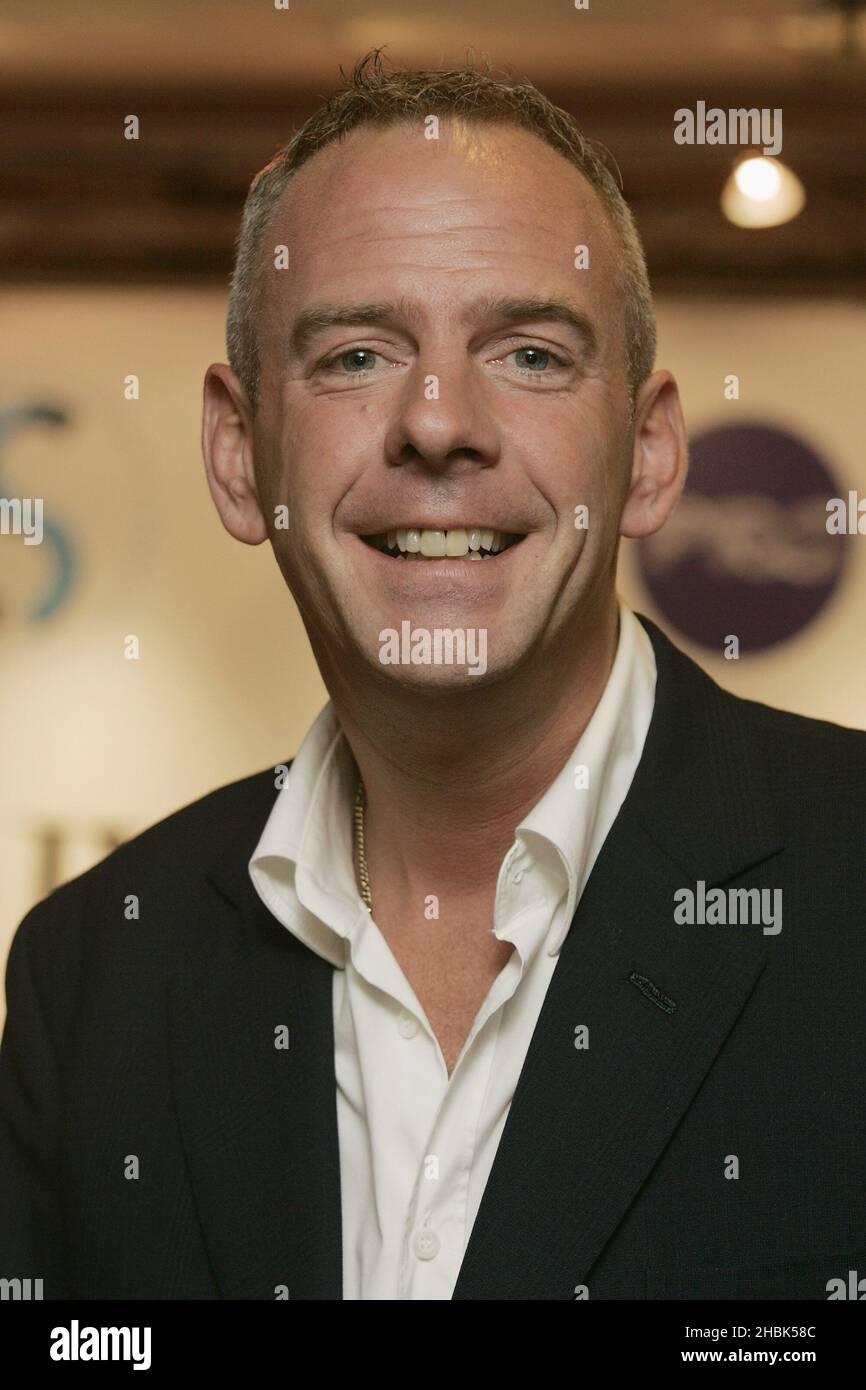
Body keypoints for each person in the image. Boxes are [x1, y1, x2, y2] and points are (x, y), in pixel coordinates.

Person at [1, 51, 863, 1302]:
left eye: (528, 353)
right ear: (240, 457)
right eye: (354, 355)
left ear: (651, 452)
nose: (437, 419)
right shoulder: (94, 981)